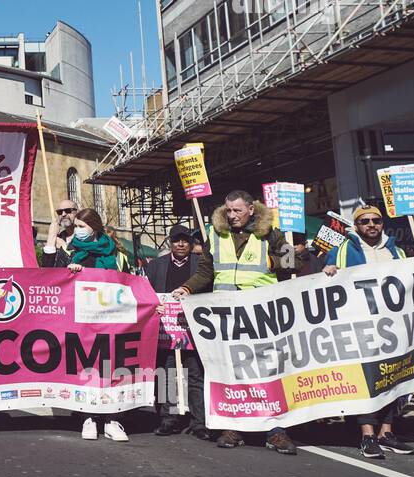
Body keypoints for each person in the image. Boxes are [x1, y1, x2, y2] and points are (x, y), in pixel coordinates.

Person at [173, 189, 301, 454]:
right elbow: (206, 271)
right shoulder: (216, 235)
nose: (232, 216)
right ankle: (232, 427)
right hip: (226, 318)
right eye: (228, 210)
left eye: (237, 211)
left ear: (251, 209)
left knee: (267, 372)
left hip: (260, 316)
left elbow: (295, 260)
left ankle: (275, 430)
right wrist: (187, 288)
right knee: (228, 371)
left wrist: (272, 260)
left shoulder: (272, 234)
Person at [323, 205, 414, 459]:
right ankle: (367, 435)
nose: (371, 225)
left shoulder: (397, 251)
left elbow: (410, 280)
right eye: (365, 221)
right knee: (366, 380)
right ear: (357, 226)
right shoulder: (341, 251)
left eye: (376, 220)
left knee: (393, 377)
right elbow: (326, 284)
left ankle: (386, 433)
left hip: (392, 326)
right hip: (359, 324)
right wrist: (328, 272)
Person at [59, 209, 131, 442]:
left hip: (112, 321)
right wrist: (72, 274)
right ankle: (88, 417)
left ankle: (112, 419)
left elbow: (130, 284)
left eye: (82, 227)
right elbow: (57, 285)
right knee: (87, 368)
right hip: (83, 324)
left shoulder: (118, 256)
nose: (78, 231)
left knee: (112, 370)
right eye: (76, 226)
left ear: (95, 227)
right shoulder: (73, 254)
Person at [144, 223, 210, 440]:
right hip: (166, 330)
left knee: (195, 374)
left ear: (191, 244)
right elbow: (146, 294)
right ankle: (168, 419)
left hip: (193, 329)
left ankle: (199, 422)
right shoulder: (155, 266)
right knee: (167, 373)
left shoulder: (201, 265)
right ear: (170, 243)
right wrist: (155, 306)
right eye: (176, 240)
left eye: (185, 240)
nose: (181, 244)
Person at [39, 198, 79, 267]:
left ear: (77, 213)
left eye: (67, 210)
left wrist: (64, 246)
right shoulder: (56, 238)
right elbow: (46, 269)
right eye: (60, 212)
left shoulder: (84, 236)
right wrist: (51, 237)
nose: (63, 214)